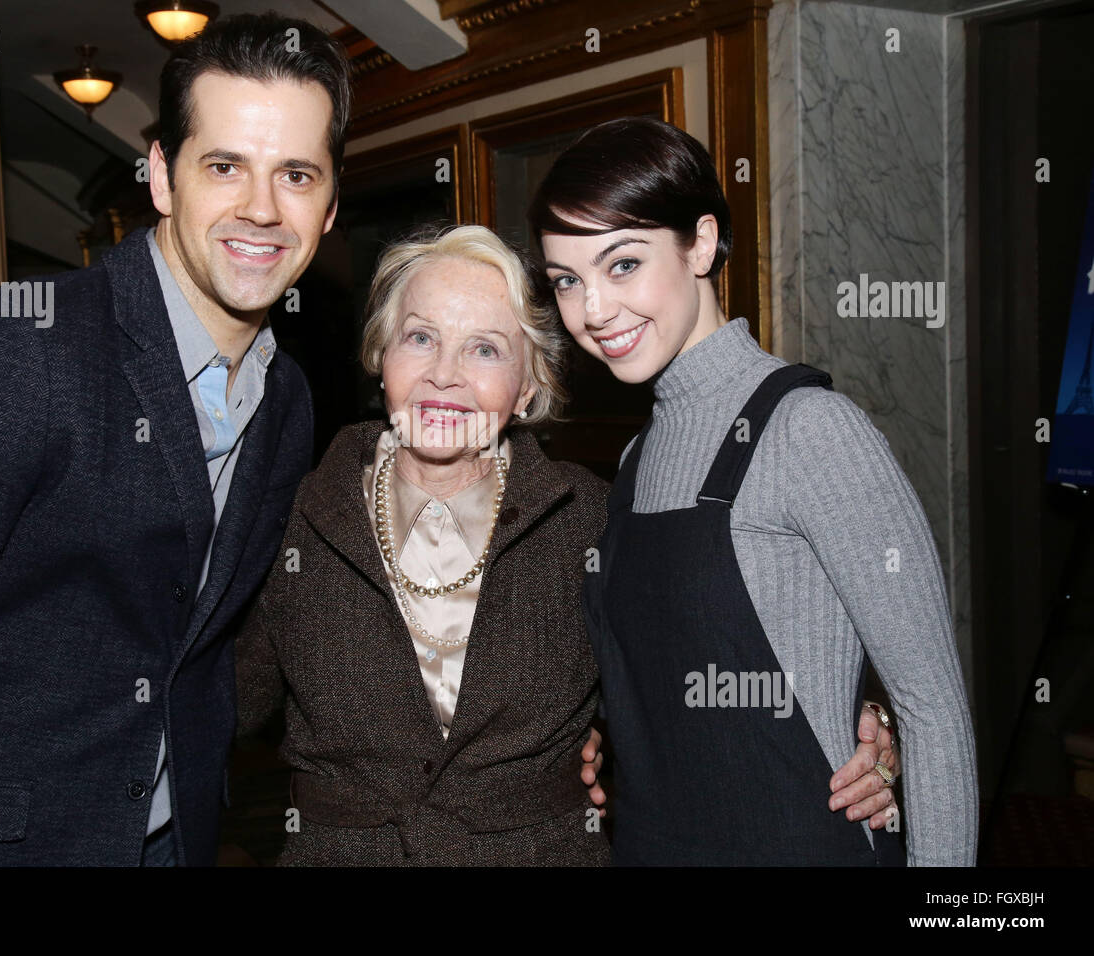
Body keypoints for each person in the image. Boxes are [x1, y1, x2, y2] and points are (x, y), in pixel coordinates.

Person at [0, 13, 342, 866]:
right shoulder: (11, 348)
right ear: (162, 177)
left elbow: (218, 643)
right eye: (225, 165)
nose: (262, 208)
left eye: (297, 174)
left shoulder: (291, 399)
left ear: (331, 204)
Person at [233, 223, 899, 865]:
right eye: (420, 338)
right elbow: (213, 706)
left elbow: (705, 668)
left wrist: (851, 717)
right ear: (381, 359)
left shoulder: (592, 521)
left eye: (485, 349)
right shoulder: (292, 517)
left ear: (527, 387)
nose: (445, 375)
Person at [530, 117, 978, 865]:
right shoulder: (638, 456)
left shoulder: (811, 430)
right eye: (567, 281)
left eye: (623, 264)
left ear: (701, 243)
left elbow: (933, 711)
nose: (594, 311)